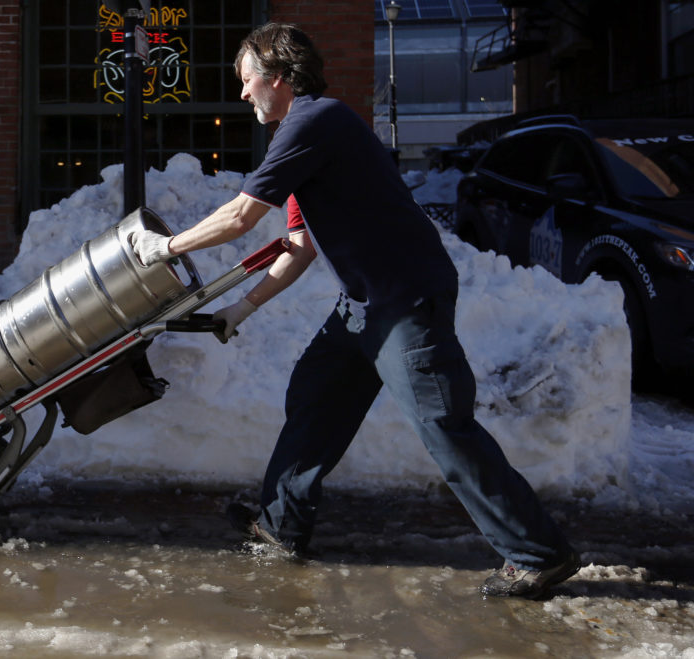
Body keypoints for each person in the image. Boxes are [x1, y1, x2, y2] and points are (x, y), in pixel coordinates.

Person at [129, 22, 580, 599]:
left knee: (444, 425)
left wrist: (164, 248)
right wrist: (240, 308)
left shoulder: (317, 120)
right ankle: (281, 527)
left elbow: (242, 218)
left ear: (278, 75)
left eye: (246, 80)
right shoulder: (303, 137)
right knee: (315, 396)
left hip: (405, 298)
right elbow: (298, 244)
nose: (242, 94)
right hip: (364, 305)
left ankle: (537, 553)